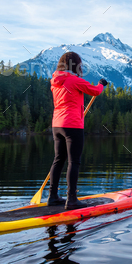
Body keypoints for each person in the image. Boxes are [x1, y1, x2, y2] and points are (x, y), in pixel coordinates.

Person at [48, 52, 107, 209]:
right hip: (72, 125)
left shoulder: (54, 82)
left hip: (57, 125)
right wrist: (101, 84)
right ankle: (72, 199)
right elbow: (95, 91)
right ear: (75, 65)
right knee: (74, 161)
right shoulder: (74, 80)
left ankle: (52, 196)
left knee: (58, 159)